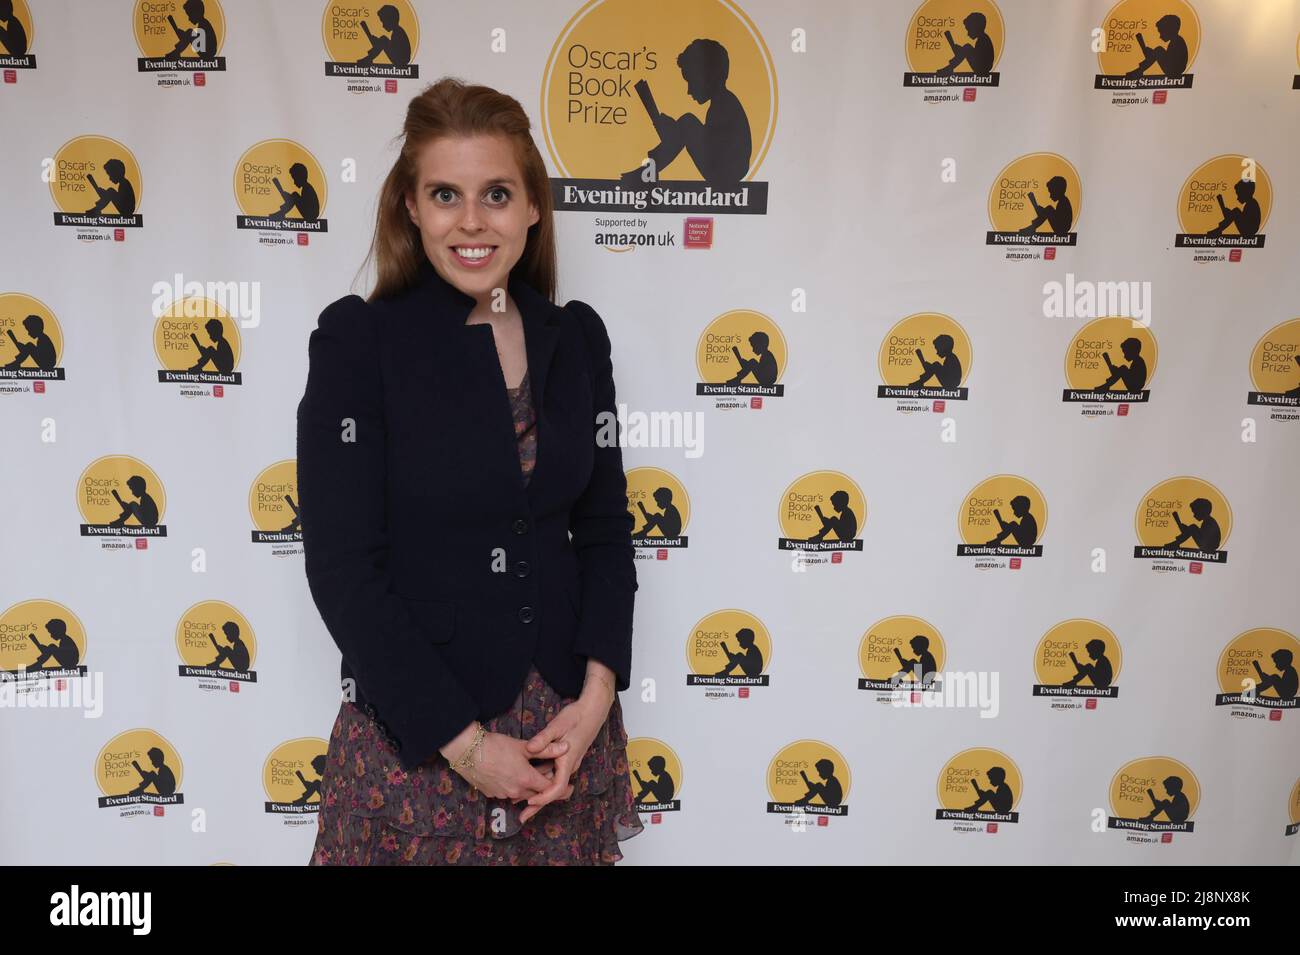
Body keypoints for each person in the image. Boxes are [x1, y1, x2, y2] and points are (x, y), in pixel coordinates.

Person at [298, 78, 643, 865]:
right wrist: (465, 746)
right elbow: (345, 569)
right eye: (445, 194)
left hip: (562, 739)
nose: (472, 221)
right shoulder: (360, 344)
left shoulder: (576, 340)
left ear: (532, 208)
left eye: (496, 193)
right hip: (418, 738)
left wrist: (596, 699)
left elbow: (603, 531)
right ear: (410, 208)